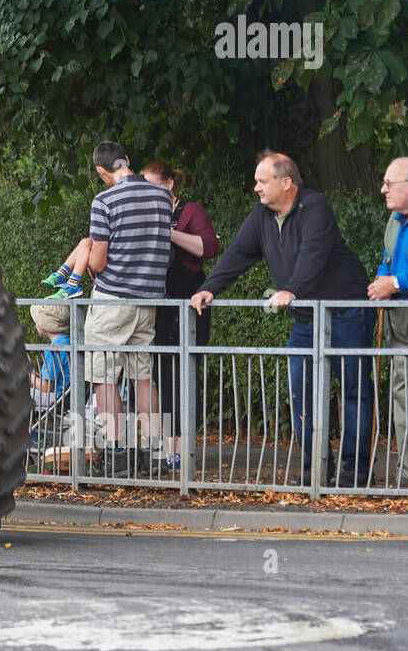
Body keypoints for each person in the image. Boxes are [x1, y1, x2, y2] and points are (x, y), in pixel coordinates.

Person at [192, 152, 374, 487]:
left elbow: (314, 252)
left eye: (263, 181)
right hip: (306, 319)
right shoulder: (262, 214)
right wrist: (209, 288)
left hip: (346, 311)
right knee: (302, 391)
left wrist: (291, 288)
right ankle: (315, 465)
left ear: (286, 182)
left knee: (354, 390)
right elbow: (238, 253)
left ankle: (355, 468)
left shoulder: (314, 207)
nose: (256, 188)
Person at [84, 141, 173, 478]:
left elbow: (100, 259)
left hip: (112, 301)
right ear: (128, 161)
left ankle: (117, 455)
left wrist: (90, 258)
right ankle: (153, 454)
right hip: (148, 300)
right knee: (143, 379)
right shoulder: (161, 196)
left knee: (104, 381)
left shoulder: (104, 200)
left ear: (102, 171)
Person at [142, 160, 220, 459]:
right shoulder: (144, 214)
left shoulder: (190, 211)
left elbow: (209, 248)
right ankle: (164, 446)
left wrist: (166, 232)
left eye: (152, 186)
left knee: (184, 374)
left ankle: (182, 446)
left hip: (190, 302)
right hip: (159, 304)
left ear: (170, 184)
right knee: (160, 374)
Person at [368, 157, 408, 484]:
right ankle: (406, 473)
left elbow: (398, 276)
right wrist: (381, 281)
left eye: (389, 184)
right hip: (400, 328)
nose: (383, 189)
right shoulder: (395, 221)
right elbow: (387, 259)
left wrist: (395, 284)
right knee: (401, 399)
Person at [29, 302, 71, 407]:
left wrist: (29, 377)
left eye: (37, 321)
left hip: (57, 398)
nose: (35, 325)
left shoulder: (54, 349)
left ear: (44, 325)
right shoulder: (67, 342)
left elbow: (46, 386)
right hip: (67, 396)